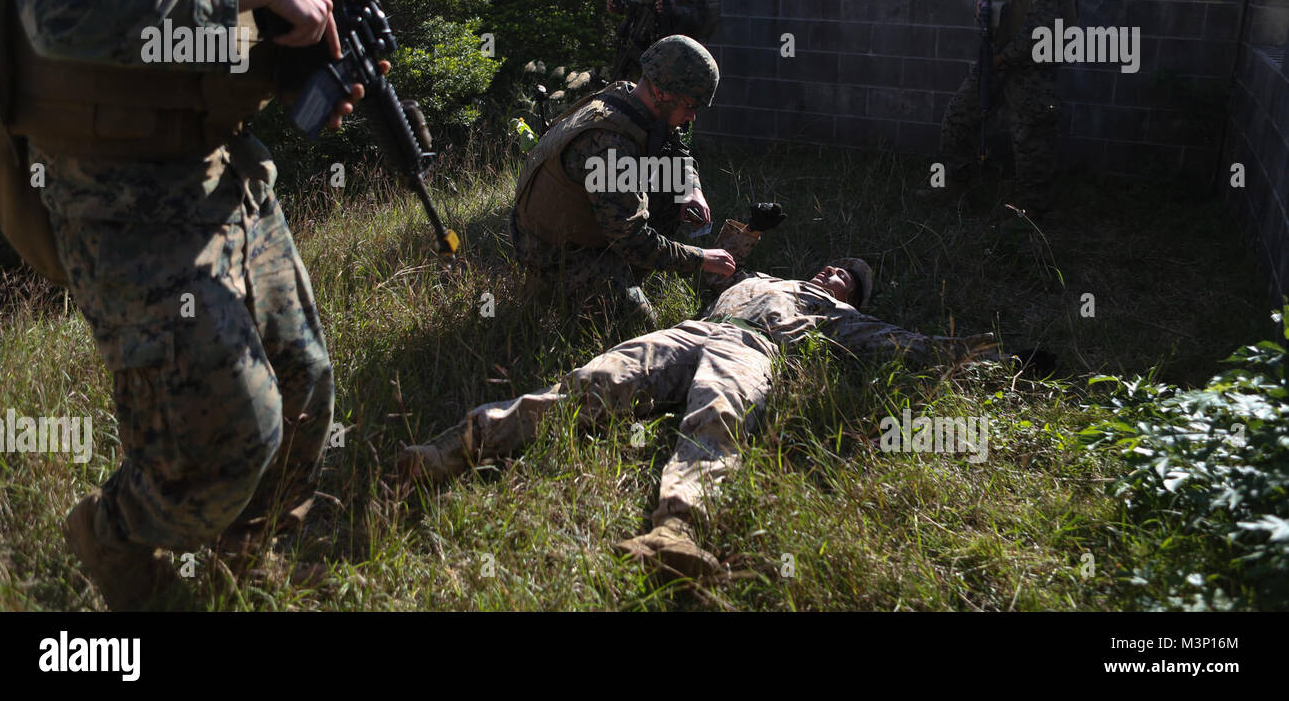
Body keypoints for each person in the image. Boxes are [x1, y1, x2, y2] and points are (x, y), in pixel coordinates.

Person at [0, 0, 374, 609]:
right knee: (229, 440)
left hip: (225, 175)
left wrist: (296, 67)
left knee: (306, 387)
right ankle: (116, 542)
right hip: (119, 192)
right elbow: (69, 10)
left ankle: (251, 568)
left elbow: (200, 42)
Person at [399, 259, 995, 578]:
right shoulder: (760, 276)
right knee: (592, 384)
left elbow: (901, 342)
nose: (832, 274)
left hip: (752, 350)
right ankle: (451, 450)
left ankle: (673, 529)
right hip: (690, 331)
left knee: (717, 418)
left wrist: (975, 350)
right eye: (834, 265)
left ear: (852, 296)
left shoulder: (833, 312)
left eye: (847, 278)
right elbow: (699, 263)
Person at [510, 35, 736, 328]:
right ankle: (549, 289)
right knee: (640, 329)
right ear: (660, 90)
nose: (692, 117)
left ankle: (628, 272)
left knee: (670, 188)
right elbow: (632, 240)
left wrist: (692, 189)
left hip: (587, 226)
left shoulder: (633, 101)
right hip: (554, 249)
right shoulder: (610, 144)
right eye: (690, 105)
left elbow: (676, 149)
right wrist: (700, 258)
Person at [934, 0, 1079, 214]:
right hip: (1000, 56)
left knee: (1031, 142)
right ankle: (958, 191)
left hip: (1031, 65)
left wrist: (999, 61)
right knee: (957, 119)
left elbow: (1042, 26)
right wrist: (982, 7)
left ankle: (1031, 218)